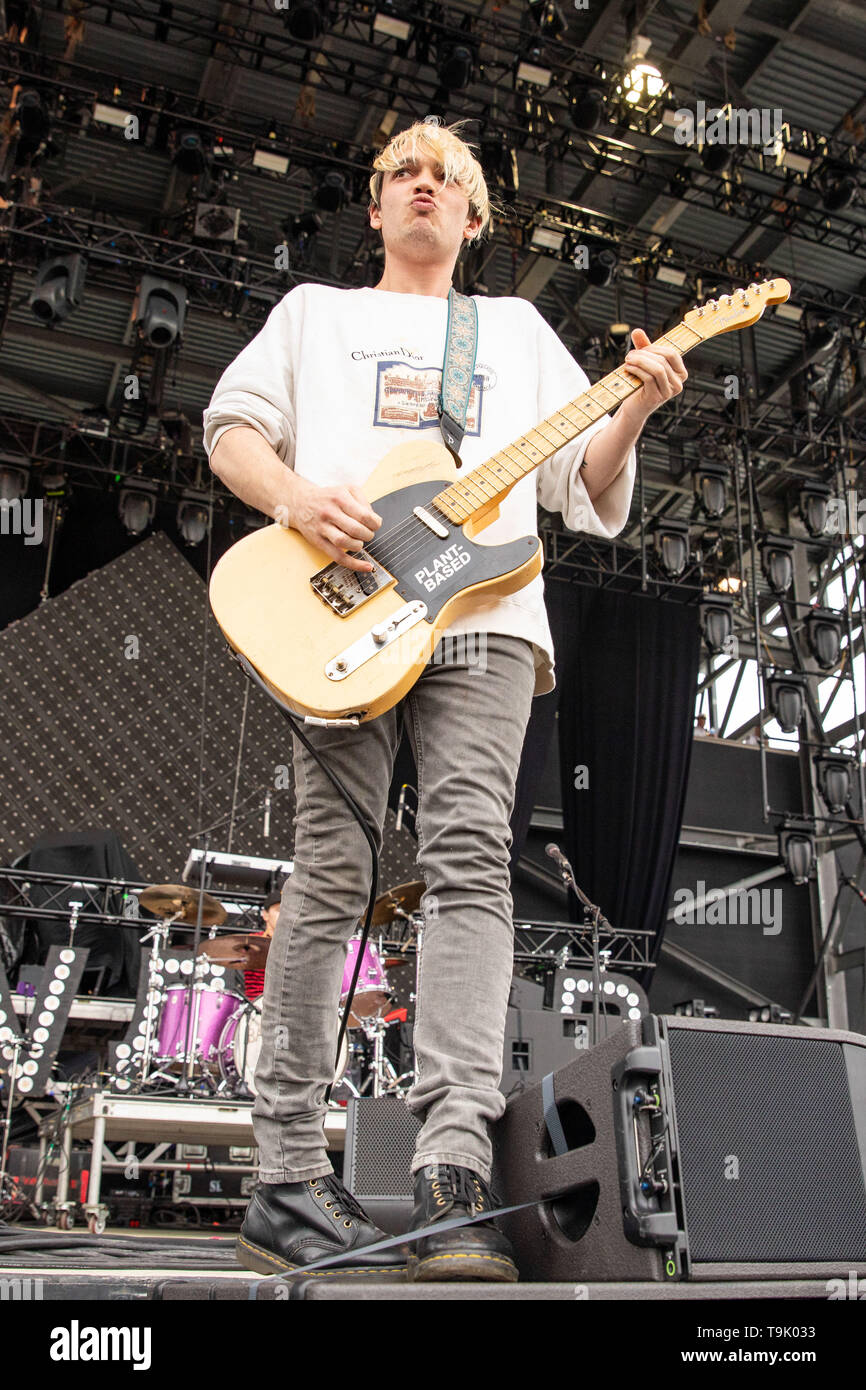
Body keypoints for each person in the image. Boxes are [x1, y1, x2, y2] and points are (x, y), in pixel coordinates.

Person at [202, 118, 686, 1282]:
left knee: (471, 859)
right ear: (374, 208)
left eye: (447, 182)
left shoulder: (513, 332)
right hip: (341, 612)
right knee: (332, 873)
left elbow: (582, 484)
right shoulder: (317, 314)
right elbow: (229, 431)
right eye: (403, 177)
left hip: (484, 618)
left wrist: (635, 407)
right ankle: (282, 1175)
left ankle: (455, 1165)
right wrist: (297, 499)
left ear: (474, 220)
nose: (423, 190)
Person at [242, 889, 281, 1001]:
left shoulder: (295, 944)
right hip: (257, 1004)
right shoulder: (252, 941)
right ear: (265, 915)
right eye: (279, 910)